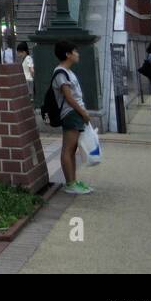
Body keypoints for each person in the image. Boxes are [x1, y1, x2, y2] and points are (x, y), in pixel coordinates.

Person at [51, 41, 94, 195]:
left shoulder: (67, 72)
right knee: (68, 149)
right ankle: (70, 183)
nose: (78, 54)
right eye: (75, 51)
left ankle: (73, 181)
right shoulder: (61, 73)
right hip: (70, 114)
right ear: (68, 54)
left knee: (72, 149)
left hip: (75, 113)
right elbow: (69, 98)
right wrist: (83, 113)